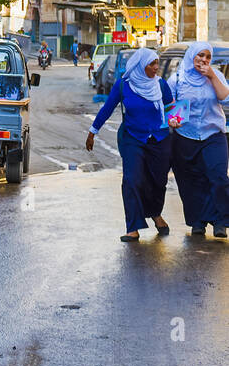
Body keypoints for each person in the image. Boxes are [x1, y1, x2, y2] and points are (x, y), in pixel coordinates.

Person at [85, 47, 172, 242]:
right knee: (132, 180)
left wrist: (176, 119)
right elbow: (107, 108)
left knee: (158, 181)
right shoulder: (124, 85)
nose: (156, 67)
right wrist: (93, 131)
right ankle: (133, 227)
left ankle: (156, 214)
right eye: (152, 64)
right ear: (141, 65)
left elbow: (172, 108)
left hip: (159, 139)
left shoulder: (161, 85)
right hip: (133, 138)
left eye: (157, 63)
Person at [169, 42, 229, 237]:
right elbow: (170, 106)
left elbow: (223, 97)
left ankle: (220, 221)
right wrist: (172, 120)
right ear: (192, 56)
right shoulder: (178, 78)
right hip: (186, 136)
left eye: (207, 57)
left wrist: (211, 75)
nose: (204, 60)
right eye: (200, 56)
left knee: (218, 176)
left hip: (213, 134)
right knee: (191, 180)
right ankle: (198, 221)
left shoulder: (216, 76)